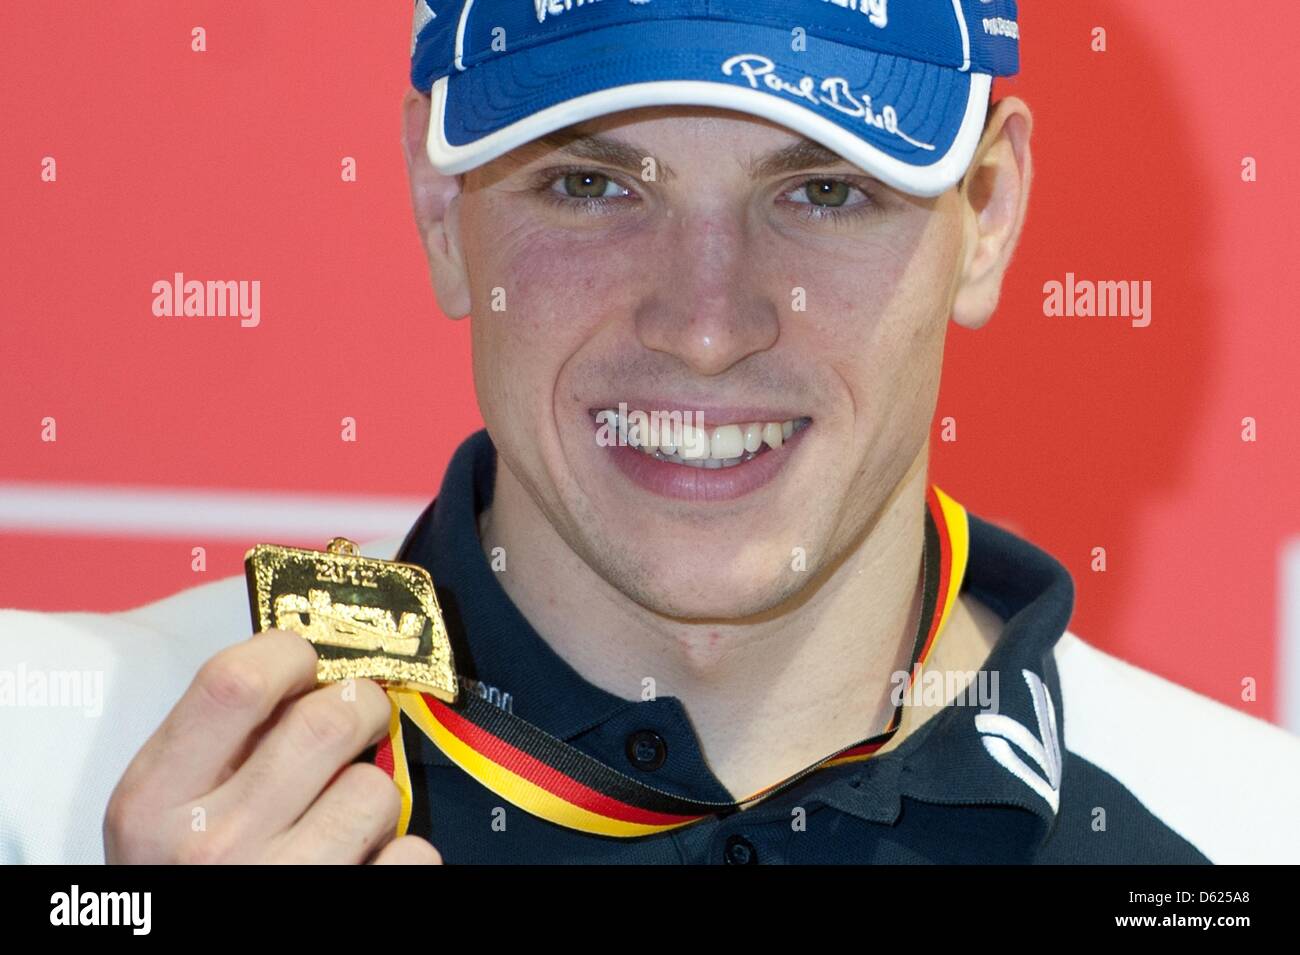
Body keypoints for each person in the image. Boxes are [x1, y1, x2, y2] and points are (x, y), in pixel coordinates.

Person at [3, 0, 1298, 865]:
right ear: (441, 207)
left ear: (993, 214)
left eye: (824, 189)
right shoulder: (55, 761)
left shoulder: (1245, 836)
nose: (705, 323)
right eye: (591, 183)